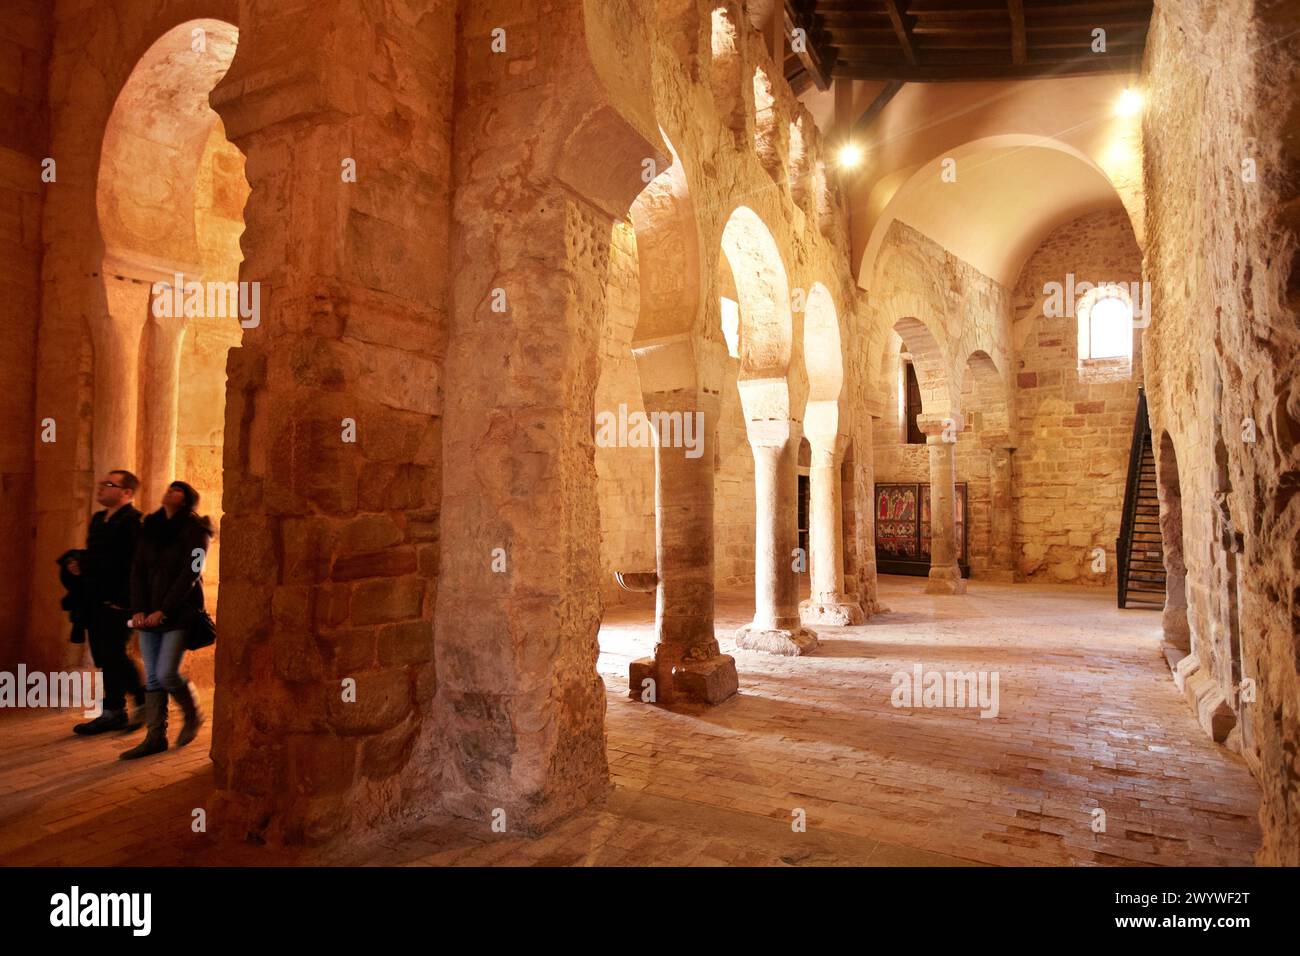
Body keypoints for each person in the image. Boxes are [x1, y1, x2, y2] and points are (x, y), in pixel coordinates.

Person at [120, 480, 212, 760]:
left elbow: (191, 573)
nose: (170, 491)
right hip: (148, 613)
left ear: (187, 499)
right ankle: (155, 737)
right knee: (153, 678)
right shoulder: (151, 526)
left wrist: (165, 610)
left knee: (166, 673)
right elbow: (137, 569)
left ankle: (192, 713)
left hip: (179, 613)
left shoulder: (198, 530)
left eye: (178, 489)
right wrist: (138, 609)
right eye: (169, 488)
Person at [69, 471, 146, 735]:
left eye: (109, 484)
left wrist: (127, 602)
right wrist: (80, 565)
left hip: (119, 603)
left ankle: (142, 698)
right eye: (102, 484)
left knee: (114, 654)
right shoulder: (98, 519)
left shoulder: (134, 522)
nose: (101, 488)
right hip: (96, 600)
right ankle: (113, 712)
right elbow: (99, 557)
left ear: (126, 493)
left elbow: (137, 564)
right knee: (105, 657)